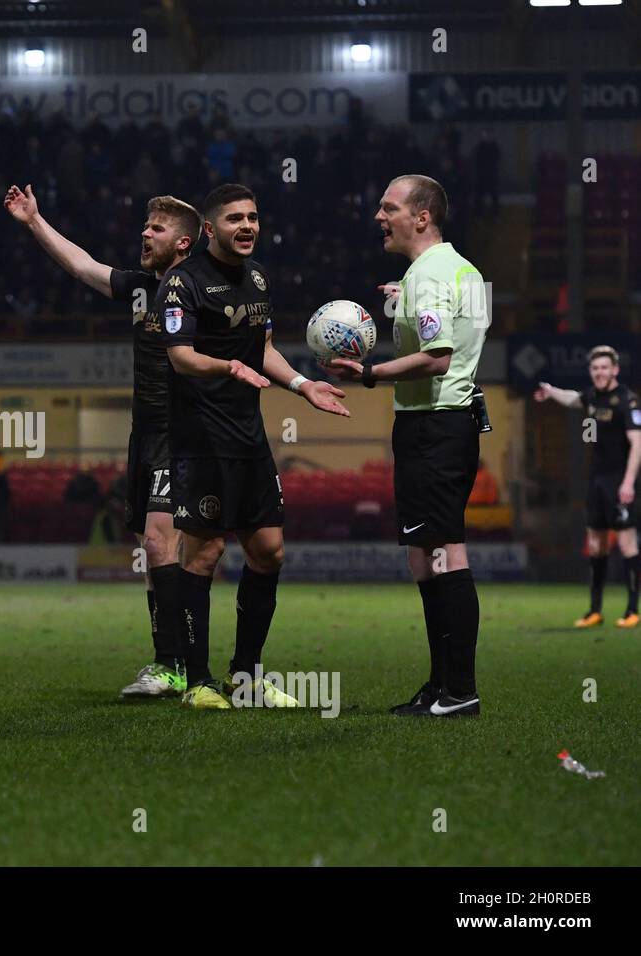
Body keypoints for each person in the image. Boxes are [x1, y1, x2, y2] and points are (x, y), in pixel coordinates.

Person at [154, 182, 350, 710]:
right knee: (205, 552)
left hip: (247, 437)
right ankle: (197, 682)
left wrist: (304, 386)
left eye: (254, 218)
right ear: (209, 230)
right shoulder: (181, 283)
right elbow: (180, 356)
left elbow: (262, 348)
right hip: (201, 439)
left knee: (269, 551)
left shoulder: (260, 278)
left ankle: (246, 680)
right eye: (236, 219)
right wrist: (227, 366)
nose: (247, 227)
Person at [5, 183, 198, 698]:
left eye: (157, 228)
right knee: (151, 550)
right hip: (145, 435)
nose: (145, 232)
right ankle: (176, 663)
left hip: (183, 436)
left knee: (161, 542)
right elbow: (82, 266)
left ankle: (176, 664)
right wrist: (33, 222)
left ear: (183, 243)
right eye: (146, 224)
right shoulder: (140, 287)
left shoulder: (202, 289)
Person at [329, 173, 488, 718]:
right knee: (426, 557)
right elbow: (459, 322)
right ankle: (440, 684)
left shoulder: (427, 275)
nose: (379, 216)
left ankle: (460, 690)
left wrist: (367, 373)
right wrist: (409, 299)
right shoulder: (459, 269)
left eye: (388, 207)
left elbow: (438, 355)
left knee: (443, 552)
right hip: (446, 424)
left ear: (421, 217)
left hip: (436, 426)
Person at [534, 346, 641, 628]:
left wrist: (629, 482)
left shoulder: (627, 400)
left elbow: (637, 444)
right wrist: (551, 390)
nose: (599, 372)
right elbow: (573, 399)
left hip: (620, 480)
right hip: (596, 480)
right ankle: (595, 610)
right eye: (595, 368)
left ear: (615, 370)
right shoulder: (592, 397)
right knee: (596, 544)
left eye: (604, 368)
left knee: (627, 543)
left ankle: (632, 610)